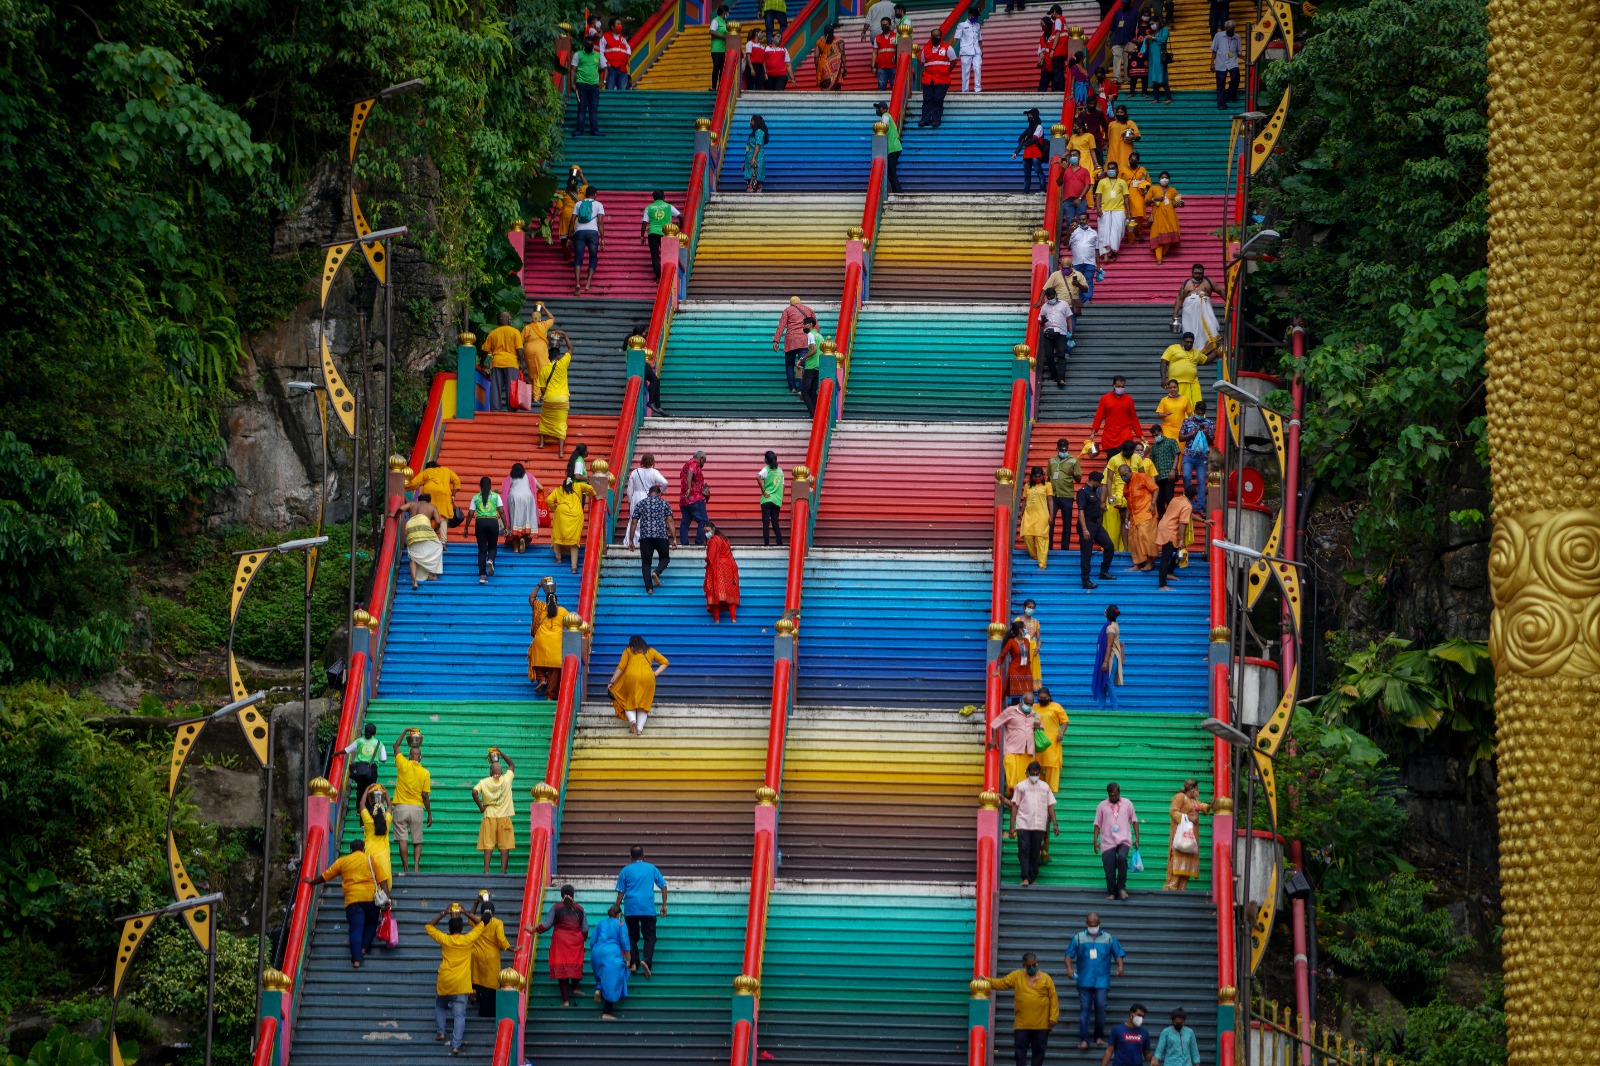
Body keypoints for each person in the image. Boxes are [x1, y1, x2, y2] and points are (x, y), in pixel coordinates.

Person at [309, 838, 381, 968]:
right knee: (371, 923)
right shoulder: (371, 859)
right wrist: (387, 898)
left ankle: (356, 960)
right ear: (364, 849)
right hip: (371, 898)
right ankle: (364, 947)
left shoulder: (343, 861)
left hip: (353, 900)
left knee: (356, 928)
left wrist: (312, 882)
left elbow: (326, 875)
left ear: (350, 850)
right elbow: (383, 879)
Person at [425, 904, 486, 1053]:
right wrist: (465, 913)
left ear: (449, 928)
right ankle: (456, 1045)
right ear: (462, 928)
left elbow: (429, 926)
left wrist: (443, 913)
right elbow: (481, 924)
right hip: (461, 984)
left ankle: (441, 1032)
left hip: (445, 981)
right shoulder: (468, 939)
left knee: (440, 1005)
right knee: (459, 1015)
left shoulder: (445, 939)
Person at [1064, 913, 1126, 1050]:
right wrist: (1069, 969)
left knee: (1100, 1006)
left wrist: (1120, 966)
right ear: (1086, 923)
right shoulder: (1078, 937)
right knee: (1085, 1009)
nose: (1093, 927)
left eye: (1096, 925)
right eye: (1091, 925)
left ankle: (1098, 1036)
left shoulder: (1108, 938)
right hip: (1084, 979)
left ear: (1100, 923)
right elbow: (1068, 954)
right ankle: (1084, 1040)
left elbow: (1118, 953)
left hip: (1102, 980)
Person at [990, 952, 1060, 1064]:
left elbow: (1053, 998)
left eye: (1034, 965)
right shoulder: (1016, 976)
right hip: (1021, 1025)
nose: (1032, 968)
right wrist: (985, 981)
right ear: (1023, 965)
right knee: (1020, 1054)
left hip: (1041, 1025)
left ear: (1037, 963)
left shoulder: (1046, 978)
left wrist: (1053, 1017)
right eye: (1029, 966)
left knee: (1038, 1055)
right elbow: (1001, 983)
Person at [987, 693, 1041, 836]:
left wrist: (1038, 727)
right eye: (1027, 703)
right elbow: (995, 724)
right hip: (1012, 749)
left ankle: (1016, 809)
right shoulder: (1011, 711)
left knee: (1024, 784)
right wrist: (994, 739)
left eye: (1031, 704)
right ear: (1022, 701)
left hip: (1028, 752)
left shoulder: (1035, 714)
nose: (1029, 706)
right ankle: (1012, 798)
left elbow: (1040, 729)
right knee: (1012, 775)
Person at [615, 845, 669, 974]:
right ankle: (646, 960)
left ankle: (634, 963)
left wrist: (617, 908)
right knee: (650, 936)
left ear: (630, 857)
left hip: (631, 909)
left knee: (632, 936)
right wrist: (664, 905)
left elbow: (621, 892)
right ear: (644, 856)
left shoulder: (625, 871)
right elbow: (663, 886)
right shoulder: (652, 868)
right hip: (647, 909)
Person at [1004, 760, 1058, 886]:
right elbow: (1015, 806)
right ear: (1027, 773)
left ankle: (1032, 878)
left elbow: (1050, 806)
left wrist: (1055, 824)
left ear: (1039, 773)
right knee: (1024, 850)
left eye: (1037, 772)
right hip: (1023, 823)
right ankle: (1025, 877)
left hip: (1038, 825)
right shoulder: (1020, 786)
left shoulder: (1045, 787)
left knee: (1035, 851)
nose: (1035, 774)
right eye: (1032, 772)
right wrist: (1011, 826)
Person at [534, 884, 588, 1007]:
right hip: (576, 941)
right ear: (573, 895)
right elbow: (585, 928)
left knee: (562, 967)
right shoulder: (580, 909)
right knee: (576, 963)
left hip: (560, 942)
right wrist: (582, 939)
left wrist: (534, 929)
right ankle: (576, 988)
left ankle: (566, 1001)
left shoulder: (556, 908)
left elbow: (546, 925)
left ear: (562, 895)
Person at [609, 635, 670, 735]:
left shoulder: (628, 650)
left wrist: (612, 681)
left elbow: (621, 667)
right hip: (648, 677)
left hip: (631, 677)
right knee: (644, 704)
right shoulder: (650, 651)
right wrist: (654, 674)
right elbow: (665, 662)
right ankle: (639, 729)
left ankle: (633, 720)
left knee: (629, 701)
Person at [392, 728, 432, 873]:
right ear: (420, 757)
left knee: (403, 839)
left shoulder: (403, 764)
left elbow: (395, 746)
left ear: (409, 756)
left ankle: (406, 867)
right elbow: (425, 795)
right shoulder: (425, 773)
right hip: (417, 808)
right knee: (417, 840)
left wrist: (405, 731)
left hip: (401, 807)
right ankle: (416, 867)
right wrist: (429, 813)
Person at [471, 748, 517, 874]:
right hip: (504, 816)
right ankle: (503, 871)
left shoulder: (484, 782)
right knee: (505, 846)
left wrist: (481, 807)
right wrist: (500, 752)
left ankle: (486, 871)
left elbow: (474, 792)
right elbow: (512, 764)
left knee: (488, 845)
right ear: (501, 772)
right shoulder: (507, 779)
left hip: (489, 816)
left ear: (490, 771)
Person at [626, 482, 677, 594]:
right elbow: (670, 521)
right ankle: (656, 572)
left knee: (646, 563)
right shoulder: (664, 503)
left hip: (645, 537)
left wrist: (631, 540)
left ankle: (649, 588)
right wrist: (674, 539)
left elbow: (634, 522)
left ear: (648, 494)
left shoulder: (641, 503)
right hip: (661, 536)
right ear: (659, 494)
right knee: (665, 558)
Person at [1094, 782, 1139, 899]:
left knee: (1122, 858)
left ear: (1119, 792)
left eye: (1115, 795)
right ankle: (1112, 892)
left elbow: (1134, 821)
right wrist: (1095, 841)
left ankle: (1121, 888)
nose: (1113, 797)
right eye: (1111, 795)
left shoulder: (1128, 803)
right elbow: (1097, 824)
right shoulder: (1102, 806)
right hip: (1107, 841)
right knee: (1108, 866)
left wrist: (1137, 838)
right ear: (1108, 794)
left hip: (1124, 840)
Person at [1165, 778, 1210, 891]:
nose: (1198, 791)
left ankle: (1182, 891)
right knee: (1176, 866)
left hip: (1190, 839)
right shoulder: (1180, 797)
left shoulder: (1194, 801)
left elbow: (1202, 806)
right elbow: (1173, 811)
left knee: (1186, 868)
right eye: (1197, 788)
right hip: (1180, 836)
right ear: (1191, 788)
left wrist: (1211, 806)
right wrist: (1188, 818)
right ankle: (1170, 890)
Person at [469, 897, 510, 1017]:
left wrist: (476, 902)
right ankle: (485, 1011)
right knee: (489, 984)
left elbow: (470, 915)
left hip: (476, 955)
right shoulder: (497, 923)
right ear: (494, 913)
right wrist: (510, 948)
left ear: (481, 912)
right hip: (491, 957)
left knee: (476, 977)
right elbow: (501, 939)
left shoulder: (477, 921)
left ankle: (474, 992)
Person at [528, 576, 568, 697]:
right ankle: (550, 696)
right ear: (557, 602)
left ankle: (541, 678)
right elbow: (572, 624)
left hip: (540, 641)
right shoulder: (563, 611)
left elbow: (531, 598)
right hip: (556, 643)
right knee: (554, 670)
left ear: (546, 602)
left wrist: (539, 585)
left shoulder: (541, 608)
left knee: (535, 658)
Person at [545, 476, 595, 572]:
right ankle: (574, 568)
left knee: (557, 535)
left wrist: (555, 509)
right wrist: (595, 496)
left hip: (561, 512)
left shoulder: (559, 489)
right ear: (572, 483)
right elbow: (590, 488)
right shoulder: (578, 485)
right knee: (574, 541)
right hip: (576, 514)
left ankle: (558, 559)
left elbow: (548, 500)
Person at [396, 495, 447, 589]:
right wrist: (434, 530)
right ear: (429, 501)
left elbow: (401, 508)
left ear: (419, 499)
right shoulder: (431, 506)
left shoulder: (412, 504)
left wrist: (395, 515)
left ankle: (414, 581)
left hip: (410, 527)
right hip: (423, 526)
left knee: (413, 557)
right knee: (439, 546)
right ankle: (432, 574)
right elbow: (438, 521)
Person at [589, 904, 631, 1020]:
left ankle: (598, 990)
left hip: (597, 952)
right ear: (619, 914)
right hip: (611, 954)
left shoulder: (601, 922)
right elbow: (625, 942)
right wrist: (628, 959)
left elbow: (592, 941)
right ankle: (606, 1012)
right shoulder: (620, 924)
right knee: (613, 980)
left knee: (602, 975)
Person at [1077, 472, 1116, 590]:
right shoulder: (1082, 492)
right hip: (1087, 524)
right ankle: (1085, 580)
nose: (1099, 485)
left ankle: (1104, 572)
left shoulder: (1094, 492)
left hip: (1096, 524)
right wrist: (1084, 530)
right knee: (1087, 553)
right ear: (1093, 481)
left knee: (1109, 546)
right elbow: (1081, 512)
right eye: (1098, 482)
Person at [464, 476, 506, 585]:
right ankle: (490, 560)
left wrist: (466, 527)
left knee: (482, 550)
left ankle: (482, 576)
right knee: (492, 546)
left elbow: (470, 513)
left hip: (480, 523)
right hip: (493, 522)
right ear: (490, 486)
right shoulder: (496, 496)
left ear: (480, 486)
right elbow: (501, 511)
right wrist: (506, 526)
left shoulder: (475, 497)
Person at [480, 311, 523, 412]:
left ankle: (495, 409)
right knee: (511, 387)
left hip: (497, 362)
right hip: (511, 363)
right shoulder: (515, 332)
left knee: (495, 387)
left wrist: (482, 363)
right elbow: (519, 350)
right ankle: (511, 410)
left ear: (499, 321)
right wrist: (522, 363)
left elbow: (485, 350)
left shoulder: (493, 333)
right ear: (509, 320)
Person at [624, 453, 669, 549]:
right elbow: (665, 482)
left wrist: (629, 501)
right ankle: (646, 542)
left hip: (636, 497)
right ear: (652, 461)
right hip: (650, 497)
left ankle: (632, 541)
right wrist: (661, 492)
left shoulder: (635, 472)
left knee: (634, 519)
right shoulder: (654, 472)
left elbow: (629, 490)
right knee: (647, 519)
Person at [772, 295, 814, 396]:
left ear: (791, 303)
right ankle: (801, 389)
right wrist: (816, 338)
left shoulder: (787, 310)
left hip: (790, 341)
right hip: (804, 339)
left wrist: (776, 341)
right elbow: (815, 325)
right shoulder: (809, 310)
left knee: (789, 365)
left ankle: (792, 388)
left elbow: (781, 326)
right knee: (802, 365)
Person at [359, 784, 395, 900]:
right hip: (384, 857)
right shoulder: (387, 821)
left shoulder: (368, 821)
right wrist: (385, 793)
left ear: (370, 800)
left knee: (370, 884)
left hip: (370, 856)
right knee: (384, 887)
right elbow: (390, 806)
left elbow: (361, 804)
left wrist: (366, 788)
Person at [1174, 265, 1221, 353]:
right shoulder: (1186, 283)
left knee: (1206, 329)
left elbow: (1221, 291)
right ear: (1192, 273)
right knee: (1189, 330)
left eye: (1200, 273)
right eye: (1196, 273)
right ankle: (1190, 351)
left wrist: (1230, 303)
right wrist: (1175, 313)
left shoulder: (1208, 282)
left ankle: (1206, 351)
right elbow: (1180, 298)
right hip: (1189, 313)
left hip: (1205, 312)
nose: (1198, 275)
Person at [1119, 463, 1157, 570]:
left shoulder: (1142, 477)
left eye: (1125, 475)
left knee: (1146, 537)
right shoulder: (1125, 486)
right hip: (1134, 516)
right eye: (1121, 476)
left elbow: (1156, 489)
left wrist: (1153, 504)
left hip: (1146, 512)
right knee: (1133, 540)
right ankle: (1138, 564)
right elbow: (1128, 502)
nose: (1123, 477)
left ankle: (1150, 562)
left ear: (1130, 471)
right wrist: (1127, 517)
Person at [407, 460, 465, 530]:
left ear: (428, 467)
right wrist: (453, 494)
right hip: (444, 495)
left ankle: (429, 532)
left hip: (430, 494)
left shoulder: (427, 471)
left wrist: (405, 486)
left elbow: (415, 483)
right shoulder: (446, 470)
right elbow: (457, 480)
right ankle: (443, 536)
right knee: (443, 516)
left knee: (430, 514)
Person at [1091, 375, 1142, 454]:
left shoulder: (1129, 399)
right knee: (1111, 459)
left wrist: (1140, 435)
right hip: (1110, 435)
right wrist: (1093, 433)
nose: (1120, 388)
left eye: (1123, 386)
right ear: (1113, 385)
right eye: (1118, 386)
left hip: (1125, 434)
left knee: (1126, 458)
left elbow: (1134, 418)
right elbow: (1099, 416)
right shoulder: (1105, 398)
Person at [1156, 484, 1193, 589]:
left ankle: (1168, 572)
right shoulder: (1187, 505)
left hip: (1164, 526)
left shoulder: (1175, 499)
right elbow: (1182, 523)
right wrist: (1181, 541)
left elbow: (1189, 514)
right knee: (1166, 557)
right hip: (1170, 531)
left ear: (1184, 492)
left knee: (1180, 554)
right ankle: (1162, 585)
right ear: (1193, 497)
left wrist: (1203, 521)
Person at [1160, 331, 1209, 409]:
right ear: (1182, 341)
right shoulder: (1173, 348)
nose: (1189, 344)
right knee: (1177, 405)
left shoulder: (1196, 352)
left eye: (1191, 342)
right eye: (1187, 342)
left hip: (1192, 384)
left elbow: (1206, 360)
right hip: (1176, 384)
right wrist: (1163, 378)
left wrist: (1216, 351)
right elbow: (1164, 362)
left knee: (1193, 406)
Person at [639, 191, 681, 281]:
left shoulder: (649, 207)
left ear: (653, 198)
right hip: (666, 233)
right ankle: (668, 275)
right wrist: (679, 227)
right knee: (668, 254)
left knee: (655, 256)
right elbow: (680, 216)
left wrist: (642, 236)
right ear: (664, 197)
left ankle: (658, 276)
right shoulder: (669, 206)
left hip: (653, 233)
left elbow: (644, 223)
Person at [1033, 686, 1069, 793]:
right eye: (1040, 698)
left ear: (1049, 697)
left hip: (1053, 740)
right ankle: (1038, 788)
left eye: (1044, 697)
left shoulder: (1056, 706)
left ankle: (1052, 789)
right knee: (1038, 763)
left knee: (1052, 764)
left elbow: (1065, 721)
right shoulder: (1034, 707)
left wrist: (1061, 733)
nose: (1042, 699)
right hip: (1038, 740)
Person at [1047, 438, 1080, 551]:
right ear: (1057, 448)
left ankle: (1065, 548)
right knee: (1050, 522)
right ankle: (1049, 547)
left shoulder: (1074, 461)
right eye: (1061, 450)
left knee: (1067, 524)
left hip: (1067, 495)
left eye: (1065, 449)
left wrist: (1073, 474)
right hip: (1053, 495)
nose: (1063, 451)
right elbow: (1048, 477)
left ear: (1068, 448)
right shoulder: (1051, 461)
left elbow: (1079, 479)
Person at [343, 722, 387, 807]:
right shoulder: (379, 744)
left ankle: (359, 808)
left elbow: (346, 750)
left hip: (360, 769)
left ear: (364, 731)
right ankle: (369, 807)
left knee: (360, 788)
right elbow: (384, 759)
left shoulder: (359, 741)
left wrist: (336, 753)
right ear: (375, 733)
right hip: (372, 769)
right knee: (371, 788)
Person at [570, 186, 605, 294]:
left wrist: (569, 237)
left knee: (578, 257)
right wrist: (602, 238)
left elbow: (572, 221)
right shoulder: (598, 205)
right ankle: (588, 284)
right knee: (593, 257)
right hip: (592, 232)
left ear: (585, 194)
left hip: (579, 232)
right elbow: (600, 222)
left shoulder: (578, 204)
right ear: (595, 194)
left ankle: (577, 283)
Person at [501, 462, 542, 552]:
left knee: (514, 521)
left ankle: (516, 548)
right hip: (528, 498)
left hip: (514, 498)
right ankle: (523, 538)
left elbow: (504, 490)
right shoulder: (529, 476)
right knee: (526, 520)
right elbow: (541, 487)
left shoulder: (509, 478)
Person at [1036, 286, 1073, 386]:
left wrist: (1071, 332)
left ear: (1056, 295)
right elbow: (1041, 324)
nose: (1050, 299)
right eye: (1048, 297)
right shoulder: (1044, 307)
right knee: (1048, 355)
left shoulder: (1064, 304)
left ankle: (1061, 378)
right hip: (1048, 333)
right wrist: (1043, 321)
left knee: (1061, 354)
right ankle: (1054, 375)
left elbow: (1069, 318)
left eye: (1052, 297)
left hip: (1061, 333)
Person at [1179, 404, 1213, 512]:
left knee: (1201, 480)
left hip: (1202, 457)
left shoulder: (1209, 423)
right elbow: (1180, 438)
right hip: (1188, 455)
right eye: (1198, 412)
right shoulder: (1187, 422)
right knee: (1186, 476)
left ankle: (1200, 506)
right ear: (1194, 411)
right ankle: (1190, 503)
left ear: (1204, 412)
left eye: (1202, 413)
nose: (1200, 414)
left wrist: (1205, 433)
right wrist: (1194, 433)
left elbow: (1211, 441)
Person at [704, 525, 740, 622]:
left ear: (713, 529)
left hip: (717, 568)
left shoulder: (713, 540)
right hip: (730, 567)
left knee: (715, 592)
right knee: (730, 591)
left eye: (707, 531)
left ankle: (716, 619)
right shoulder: (724, 539)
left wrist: (706, 559)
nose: (706, 533)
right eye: (705, 532)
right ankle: (733, 618)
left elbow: (711, 556)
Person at [917, 30, 953, 128]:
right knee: (927, 100)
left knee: (938, 99)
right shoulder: (925, 49)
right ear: (931, 36)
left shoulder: (948, 48)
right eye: (933, 35)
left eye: (937, 35)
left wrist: (946, 71)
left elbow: (953, 61)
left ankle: (936, 120)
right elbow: (923, 63)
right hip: (928, 79)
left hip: (942, 79)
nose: (935, 37)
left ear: (941, 36)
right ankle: (925, 119)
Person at [1091, 606, 1123, 707]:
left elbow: (1109, 645)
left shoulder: (1110, 627)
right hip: (1107, 656)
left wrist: (1105, 662)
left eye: (1106, 610)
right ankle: (1101, 707)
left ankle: (1115, 708)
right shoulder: (1113, 624)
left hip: (1110, 657)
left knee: (1108, 681)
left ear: (1108, 614)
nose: (1104, 611)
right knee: (1103, 682)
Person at [1095, 162, 1129, 259]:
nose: (1111, 170)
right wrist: (1098, 208)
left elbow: (1126, 198)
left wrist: (1129, 212)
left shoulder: (1122, 182)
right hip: (1105, 210)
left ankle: (1114, 249)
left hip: (1119, 210)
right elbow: (1098, 195)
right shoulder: (1102, 182)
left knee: (1118, 231)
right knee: (1104, 231)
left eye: (1113, 168)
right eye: (1109, 168)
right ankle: (1106, 253)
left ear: (1117, 170)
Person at [1148, 417, 1181, 516]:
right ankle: (1162, 519)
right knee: (1159, 501)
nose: (1155, 437)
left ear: (1161, 432)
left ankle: (1171, 518)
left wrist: (1173, 469)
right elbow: (1151, 462)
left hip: (1169, 474)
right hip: (1158, 477)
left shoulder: (1171, 441)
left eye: (1157, 434)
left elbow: (1176, 455)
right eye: (1154, 436)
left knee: (1169, 498)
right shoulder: (1154, 447)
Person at [1020, 467, 1051, 568]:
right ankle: (1034, 556)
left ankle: (1042, 564)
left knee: (1041, 538)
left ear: (1043, 476)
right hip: (1028, 514)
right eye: (1035, 477)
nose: (1037, 478)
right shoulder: (1027, 486)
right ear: (1031, 476)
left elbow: (1050, 500)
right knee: (1026, 535)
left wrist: (1051, 515)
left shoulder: (1047, 485)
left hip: (1042, 515)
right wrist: (1021, 512)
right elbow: (1025, 500)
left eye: (1039, 476)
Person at [571, 37, 602, 135]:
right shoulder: (578, 54)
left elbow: (605, 68)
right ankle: (579, 130)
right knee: (582, 108)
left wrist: (603, 81)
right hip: (581, 85)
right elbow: (573, 70)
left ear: (593, 45)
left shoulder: (598, 55)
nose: (589, 46)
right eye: (588, 44)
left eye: (591, 44)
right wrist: (572, 83)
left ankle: (594, 130)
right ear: (584, 44)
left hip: (594, 86)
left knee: (593, 108)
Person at [1013, 108, 1048, 194]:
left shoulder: (1039, 127)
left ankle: (1042, 189)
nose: (1029, 117)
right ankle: (1026, 191)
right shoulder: (1028, 130)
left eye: (1030, 115)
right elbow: (1021, 141)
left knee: (1038, 171)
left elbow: (1033, 139)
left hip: (1035, 153)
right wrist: (1016, 153)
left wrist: (1025, 142)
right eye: (1028, 116)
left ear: (1035, 116)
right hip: (1027, 154)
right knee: (1027, 174)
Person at [679, 451, 711, 545]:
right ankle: (698, 543)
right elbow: (690, 473)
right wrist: (689, 488)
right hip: (695, 498)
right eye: (704, 461)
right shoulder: (694, 463)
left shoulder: (686, 464)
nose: (703, 464)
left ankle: (684, 544)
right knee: (704, 520)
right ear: (701, 458)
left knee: (685, 523)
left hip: (684, 500)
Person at [1068, 214, 1101, 303]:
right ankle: (1079, 299)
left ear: (1088, 221)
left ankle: (1087, 299)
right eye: (1080, 220)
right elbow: (1066, 244)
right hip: (1076, 262)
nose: (1081, 221)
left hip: (1090, 262)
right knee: (1077, 281)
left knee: (1088, 280)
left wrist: (1098, 265)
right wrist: (1069, 233)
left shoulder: (1094, 233)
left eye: (1083, 219)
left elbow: (1096, 249)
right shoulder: (1074, 232)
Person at [1147, 175, 1181, 261]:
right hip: (1157, 216)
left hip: (1170, 217)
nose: (1164, 179)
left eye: (1166, 178)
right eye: (1162, 178)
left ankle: (1163, 254)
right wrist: (1154, 199)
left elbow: (1176, 202)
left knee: (1168, 237)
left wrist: (1180, 203)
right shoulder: (1153, 188)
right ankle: (1159, 258)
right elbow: (1146, 201)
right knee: (1157, 235)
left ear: (1169, 179)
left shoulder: (1173, 190)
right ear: (1159, 179)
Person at [1058, 148, 1094, 230]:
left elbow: (1088, 185)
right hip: (1068, 200)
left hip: (1081, 200)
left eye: (1074, 155)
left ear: (1079, 157)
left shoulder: (1084, 171)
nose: (1072, 157)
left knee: (1082, 221)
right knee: (1069, 221)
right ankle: (1072, 237)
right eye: (1071, 155)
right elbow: (1059, 183)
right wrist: (1062, 172)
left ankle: (1082, 237)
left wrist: (1080, 198)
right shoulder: (1065, 170)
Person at [1001, 620, 1036, 700]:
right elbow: (1002, 655)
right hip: (1015, 671)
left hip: (1026, 671)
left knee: (1028, 696)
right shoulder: (1011, 642)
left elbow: (1028, 657)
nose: (1026, 629)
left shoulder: (1026, 641)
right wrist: (997, 669)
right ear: (1020, 629)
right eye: (1024, 628)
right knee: (1015, 697)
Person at [1211, 20, 1242, 108]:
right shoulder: (1218, 35)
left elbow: (1238, 52)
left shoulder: (1237, 37)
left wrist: (1245, 58)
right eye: (1227, 29)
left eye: (1231, 29)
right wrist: (1212, 63)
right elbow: (1214, 50)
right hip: (1220, 62)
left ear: (1234, 29)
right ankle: (1221, 104)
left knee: (1236, 78)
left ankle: (1231, 95)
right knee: (1220, 83)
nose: (1229, 31)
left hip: (1232, 61)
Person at [1122, 151, 1151, 241]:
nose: (1133, 161)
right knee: (1128, 215)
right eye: (1131, 159)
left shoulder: (1142, 170)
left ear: (1138, 160)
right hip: (1127, 195)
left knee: (1139, 215)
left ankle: (1140, 232)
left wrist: (1143, 185)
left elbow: (1149, 182)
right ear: (1128, 160)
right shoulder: (1123, 170)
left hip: (1139, 195)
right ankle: (1131, 236)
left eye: (1135, 160)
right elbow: (1119, 182)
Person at [875, 100, 903, 193]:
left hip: (892, 148)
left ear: (884, 109)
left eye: (879, 108)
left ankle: (898, 192)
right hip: (894, 147)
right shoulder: (888, 116)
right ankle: (897, 191)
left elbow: (884, 127)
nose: (878, 110)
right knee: (891, 171)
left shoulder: (885, 116)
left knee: (891, 172)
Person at [758, 450, 786, 546]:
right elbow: (783, 487)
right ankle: (780, 544)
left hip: (766, 499)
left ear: (766, 460)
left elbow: (758, 477)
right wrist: (780, 498)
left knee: (766, 524)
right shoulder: (780, 471)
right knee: (775, 523)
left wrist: (763, 491)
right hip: (776, 500)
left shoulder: (766, 469)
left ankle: (766, 545)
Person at [797, 315, 824, 414]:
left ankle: (812, 412)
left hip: (811, 366)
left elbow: (813, 350)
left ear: (810, 324)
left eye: (805, 324)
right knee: (813, 392)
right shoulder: (820, 336)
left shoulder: (810, 335)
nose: (803, 326)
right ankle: (817, 413)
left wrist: (801, 358)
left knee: (805, 392)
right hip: (819, 366)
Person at [952, 6, 982, 92]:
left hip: (976, 51)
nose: (976, 18)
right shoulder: (962, 25)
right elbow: (956, 38)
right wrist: (950, 49)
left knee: (977, 68)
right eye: (974, 16)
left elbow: (980, 40)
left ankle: (978, 89)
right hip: (965, 52)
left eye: (977, 16)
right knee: (965, 72)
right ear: (970, 15)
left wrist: (981, 51)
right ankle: (965, 91)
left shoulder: (978, 26)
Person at [1016, 598, 1043, 690]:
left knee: (1033, 672)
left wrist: (1038, 647)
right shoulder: (1018, 620)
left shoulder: (1036, 622)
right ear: (1024, 607)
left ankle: (1031, 692)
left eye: (1033, 608)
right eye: (1029, 607)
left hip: (1033, 650)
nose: (1031, 609)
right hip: (1022, 649)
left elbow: (1039, 639)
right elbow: (1014, 635)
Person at [1108, 0, 1138, 82]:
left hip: (1130, 40)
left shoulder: (1135, 13)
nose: (1124, 5)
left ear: (1130, 2)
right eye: (1123, 3)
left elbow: (1139, 26)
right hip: (1117, 40)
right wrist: (1108, 37)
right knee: (1116, 58)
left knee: (1128, 60)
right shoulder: (1118, 12)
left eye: (1126, 3)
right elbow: (1112, 26)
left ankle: (1127, 78)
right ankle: (1116, 78)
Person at [601, 18, 632, 89]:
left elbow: (628, 48)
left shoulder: (622, 38)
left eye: (620, 24)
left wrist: (627, 56)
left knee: (622, 90)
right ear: (612, 27)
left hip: (622, 68)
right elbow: (601, 52)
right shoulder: (605, 37)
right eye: (618, 24)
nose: (620, 25)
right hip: (611, 67)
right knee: (610, 88)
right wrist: (605, 64)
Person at [815, 23, 847, 89]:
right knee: (837, 89)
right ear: (833, 32)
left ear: (824, 33)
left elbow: (816, 57)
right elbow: (843, 55)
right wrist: (845, 68)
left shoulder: (819, 42)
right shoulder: (839, 41)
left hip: (824, 67)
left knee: (825, 90)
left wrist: (817, 68)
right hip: (835, 67)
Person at [1146, 19, 1171, 103]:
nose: (1152, 25)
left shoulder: (1164, 30)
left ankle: (1169, 97)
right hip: (1153, 59)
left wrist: (1152, 37)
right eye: (1150, 24)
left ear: (1158, 22)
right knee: (1154, 77)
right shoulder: (1154, 32)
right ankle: (1156, 98)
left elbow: (1163, 40)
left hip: (1160, 57)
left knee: (1162, 77)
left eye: (1153, 23)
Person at [872, 18, 897, 90]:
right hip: (881, 66)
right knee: (881, 85)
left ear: (890, 25)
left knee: (894, 86)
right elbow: (875, 52)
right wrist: (873, 66)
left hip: (893, 65)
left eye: (885, 24)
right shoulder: (877, 38)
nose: (884, 26)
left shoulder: (896, 36)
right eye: (882, 25)